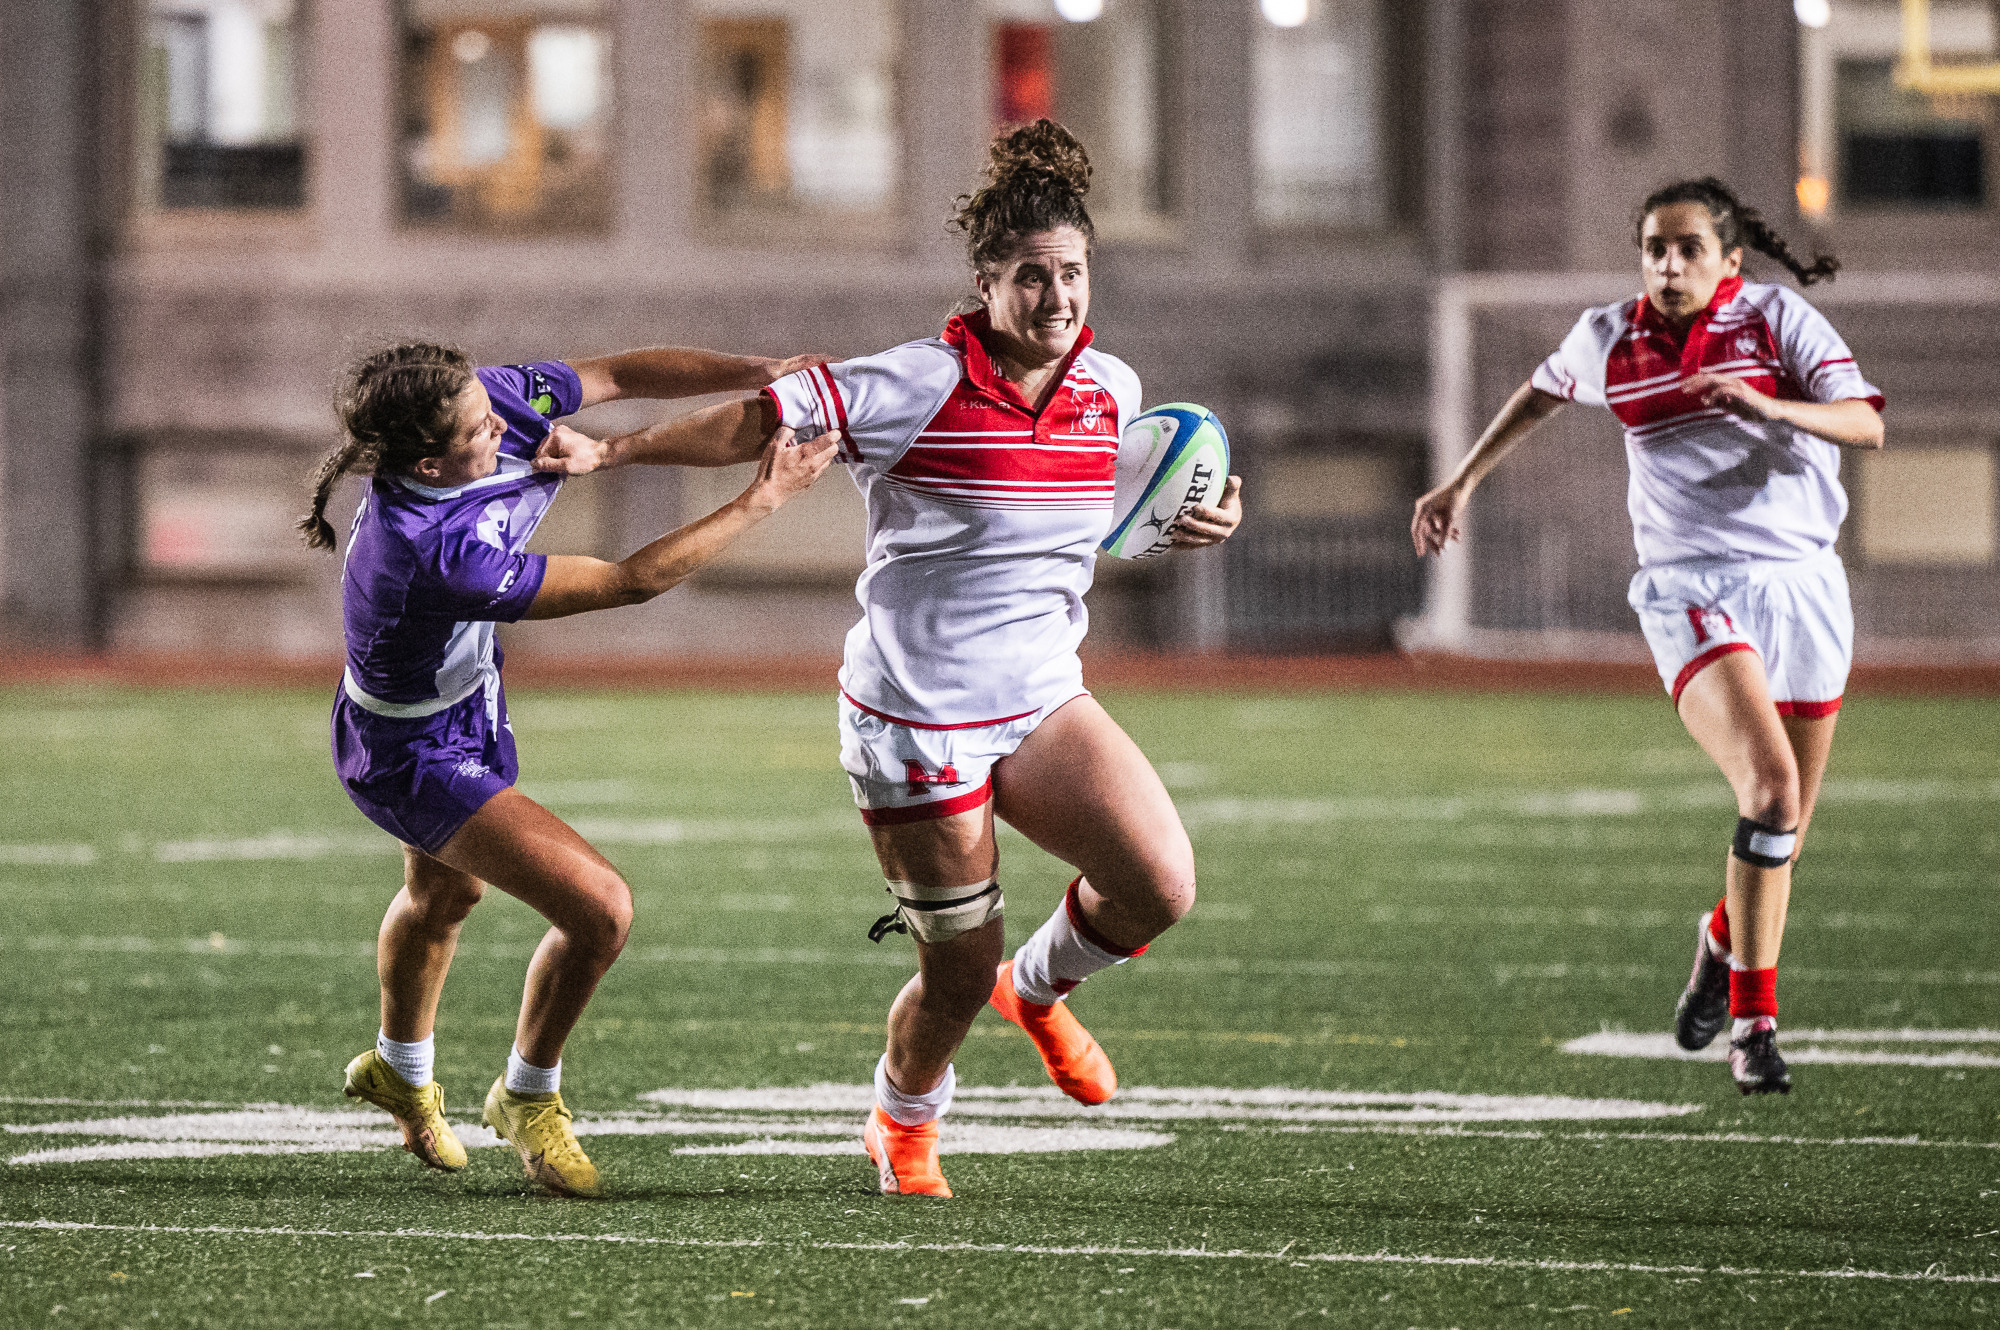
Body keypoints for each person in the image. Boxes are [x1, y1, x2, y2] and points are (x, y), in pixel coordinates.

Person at [539, 120, 1245, 1194]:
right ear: (984, 283)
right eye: (1030, 276)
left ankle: (1037, 989)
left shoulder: (1112, 386)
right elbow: (757, 423)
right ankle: (903, 1119)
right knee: (954, 971)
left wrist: (1201, 517)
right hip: (915, 718)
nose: (1056, 297)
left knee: (1159, 885)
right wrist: (617, 448)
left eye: (1071, 273)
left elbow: (1118, 504)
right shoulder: (913, 383)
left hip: (1042, 698)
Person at [300, 340, 837, 1194]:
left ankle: (400, 1070)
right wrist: (761, 499)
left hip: (462, 701)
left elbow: (617, 375)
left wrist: (757, 370)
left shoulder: (479, 400)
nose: (504, 423)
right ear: (430, 464)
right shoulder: (432, 552)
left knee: (444, 895)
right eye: (481, 429)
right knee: (600, 911)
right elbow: (626, 581)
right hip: (410, 752)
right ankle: (528, 1094)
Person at [1411, 177, 1884, 1095]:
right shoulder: (1610, 337)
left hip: (1804, 587)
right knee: (1771, 791)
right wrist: (1461, 480)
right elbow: (1541, 394)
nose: (1668, 265)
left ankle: (1719, 943)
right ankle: (1754, 1027)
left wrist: (1772, 406)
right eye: (1654, 250)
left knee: (1785, 829)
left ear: (1729, 260)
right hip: (1689, 588)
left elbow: (1863, 422)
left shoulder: (1777, 322)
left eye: (1688, 249)